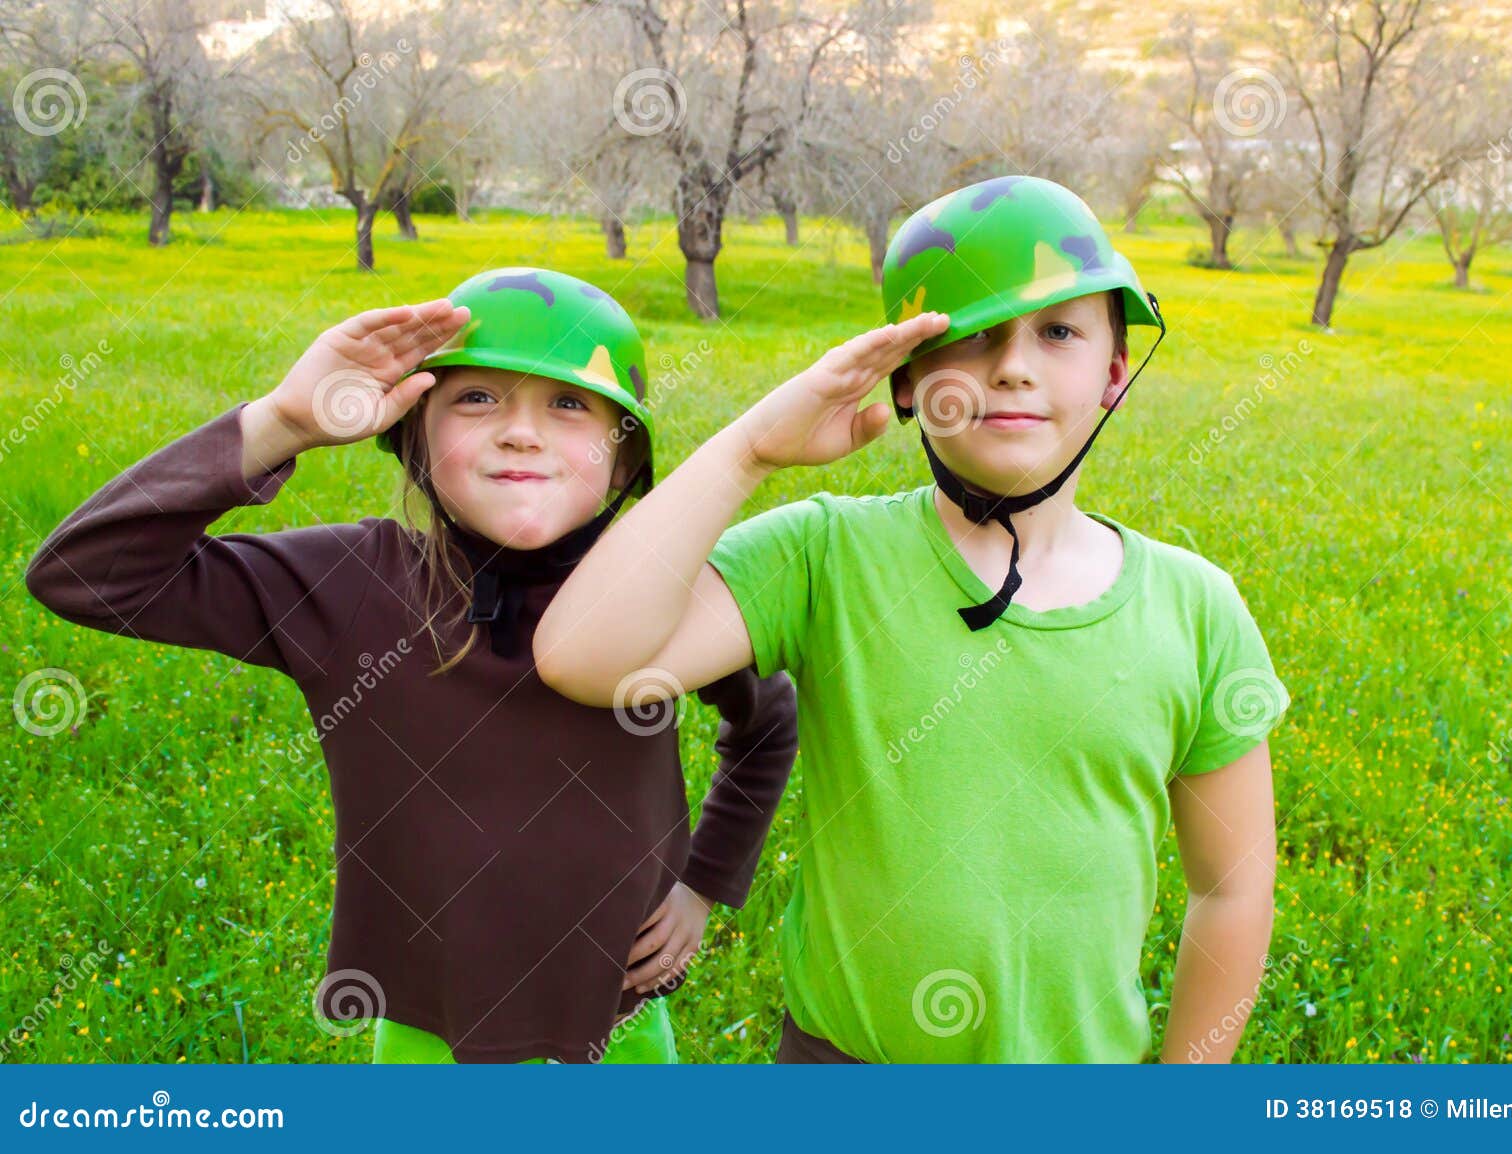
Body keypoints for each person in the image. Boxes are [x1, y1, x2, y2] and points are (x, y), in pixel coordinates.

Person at [532, 177, 1291, 1063]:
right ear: (906, 384)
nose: (1012, 366)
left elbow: (1233, 890)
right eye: (969, 338)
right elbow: (583, 656)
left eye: (1058, 332)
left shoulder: (1197, 609)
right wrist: (751, 451)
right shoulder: (825, 556)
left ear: (1115, 371)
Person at [26, 268, 799, 1064]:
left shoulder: (658, 595)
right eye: (476, 399)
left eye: (569, 405)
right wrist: (284, 421)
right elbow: (84, 574)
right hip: (428, 1033)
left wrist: (704, 881)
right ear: (413, 436)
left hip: (619, 1025)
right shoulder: (352, 584)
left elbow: (769, 719)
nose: (520, 433)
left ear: (625, 457)